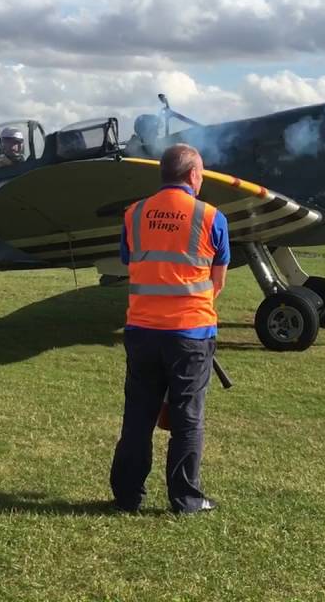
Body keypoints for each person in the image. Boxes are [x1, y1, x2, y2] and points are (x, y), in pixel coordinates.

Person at [110, 143, 229, 514]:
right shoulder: (212, 217)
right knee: (187, 418)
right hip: (191, 334)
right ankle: (186, 499)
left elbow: (130, 260)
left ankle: (127, 495)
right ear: (194, 175)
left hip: (142, 331)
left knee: (138, 417)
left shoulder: (134, 214)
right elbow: (218, 280)